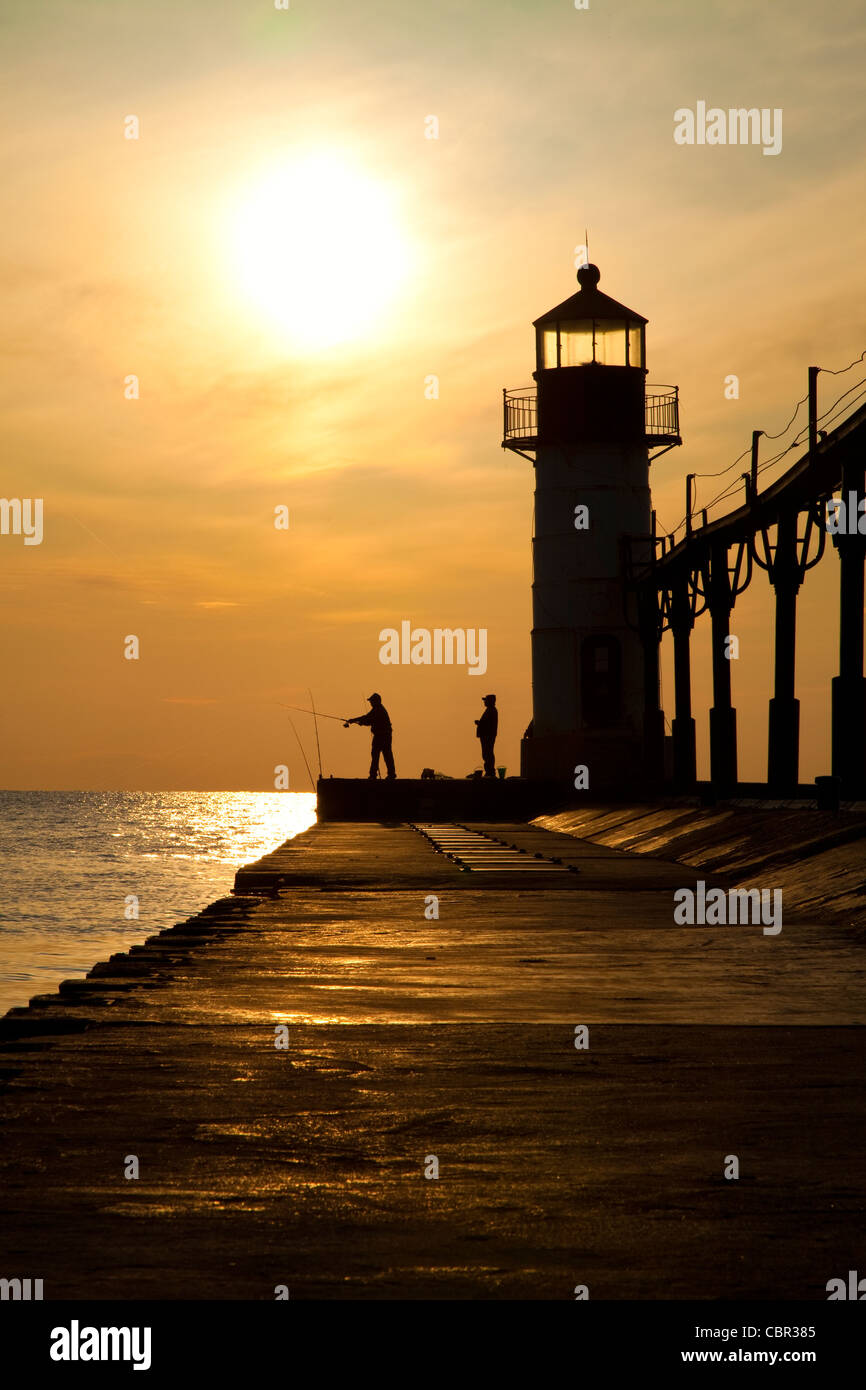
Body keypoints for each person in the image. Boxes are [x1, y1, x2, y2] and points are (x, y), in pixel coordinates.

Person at [344, 693, 396, 780]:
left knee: (378, 755)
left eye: (371, 701)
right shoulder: (378, 709)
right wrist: (359, 722)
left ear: (376, 701)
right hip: (383, 736)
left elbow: (367, 718)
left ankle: (375, 775)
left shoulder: (378, 710)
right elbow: (368, 720)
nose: (370, 703)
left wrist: (353, 720)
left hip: (381, 736)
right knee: (385, 755)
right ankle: (389, 774)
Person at [475, 693, 498, 778]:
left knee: (488, 753)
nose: (484, 702)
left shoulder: (491, 710)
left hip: (488, 736)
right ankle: (489, 771)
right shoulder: (491, 710)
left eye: (486, 700)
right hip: (487, 736)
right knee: (487, 753)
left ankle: (490, 772)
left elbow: (488, 724)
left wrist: (479, 723)